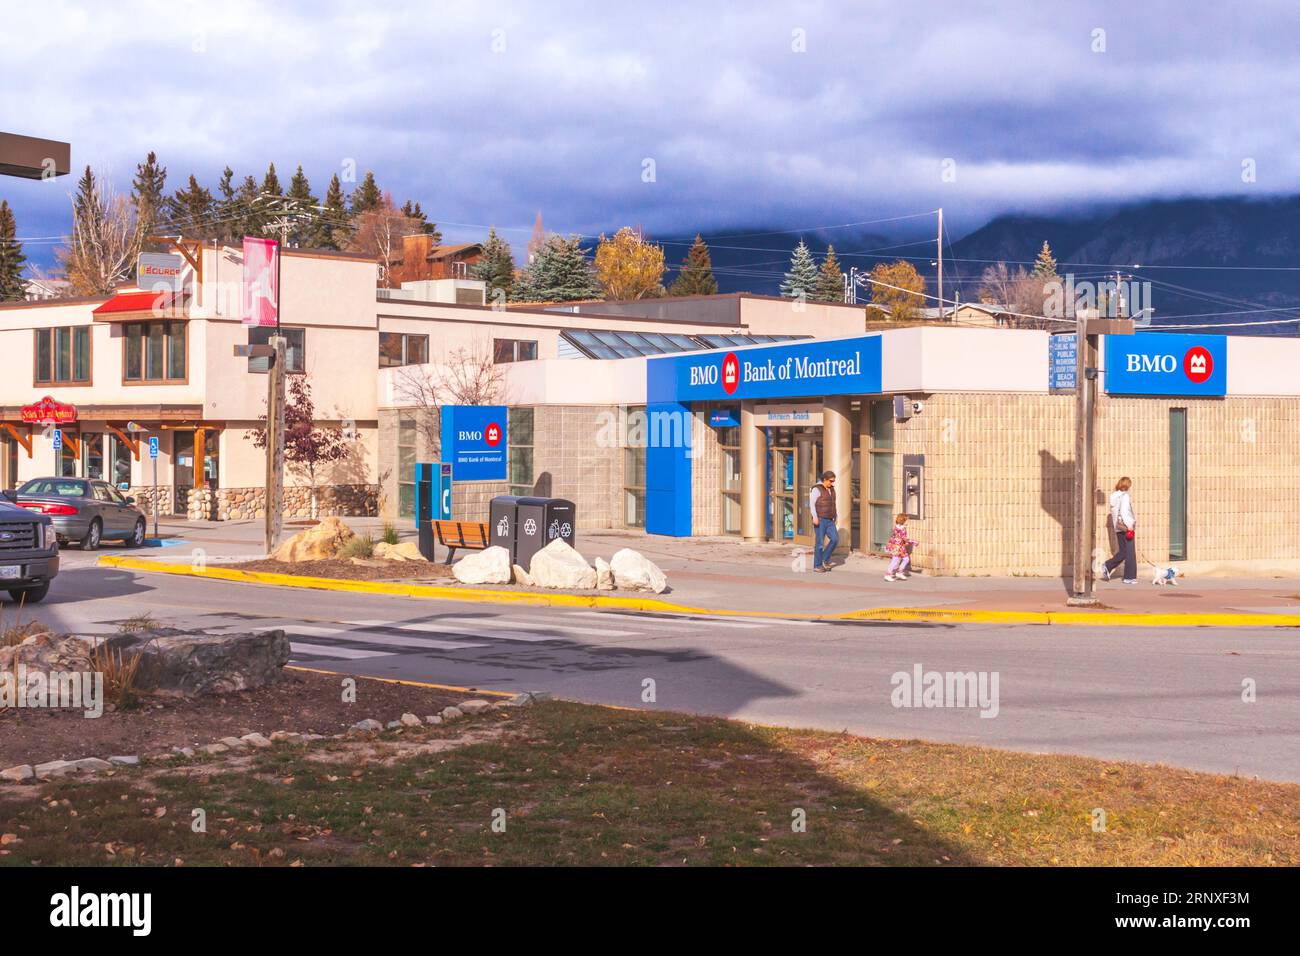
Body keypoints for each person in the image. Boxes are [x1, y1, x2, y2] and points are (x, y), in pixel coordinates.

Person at [1102, 476, 1138, 584]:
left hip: (1118, 528)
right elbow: (1124, 512)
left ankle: (1107, 566)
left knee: (1123, 552)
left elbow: (1116, 514)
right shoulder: (1125, 496)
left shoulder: (1114, 496)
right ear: (1127, 485)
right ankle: (1129, 577)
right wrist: (1130, 526)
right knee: (1130, 553)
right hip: (1126, 527)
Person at [809, 470, 839, 573]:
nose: (832, 483)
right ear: (825, 479)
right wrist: (815, 517)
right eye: (831, 481)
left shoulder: (832, 489)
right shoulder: (817, 489)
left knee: (835, 539)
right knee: (820, 543)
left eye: (833, 481)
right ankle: (817, 565)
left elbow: (832, 504)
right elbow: (812, 504)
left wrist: (836, 516)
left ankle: (824, 559)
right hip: (820, 519)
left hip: (830, 519)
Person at [884, 513, 914, 581]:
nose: (908, 522)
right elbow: (904, 539)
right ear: (903, 521)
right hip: (897, 547)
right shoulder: (901, 529)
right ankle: (888, 574)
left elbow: (901, 539)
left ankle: (899, 572)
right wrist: (913, 541)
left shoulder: (898, 527)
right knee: (895, 560)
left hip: (899, 546)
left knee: (905, 559)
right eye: (907, 521)